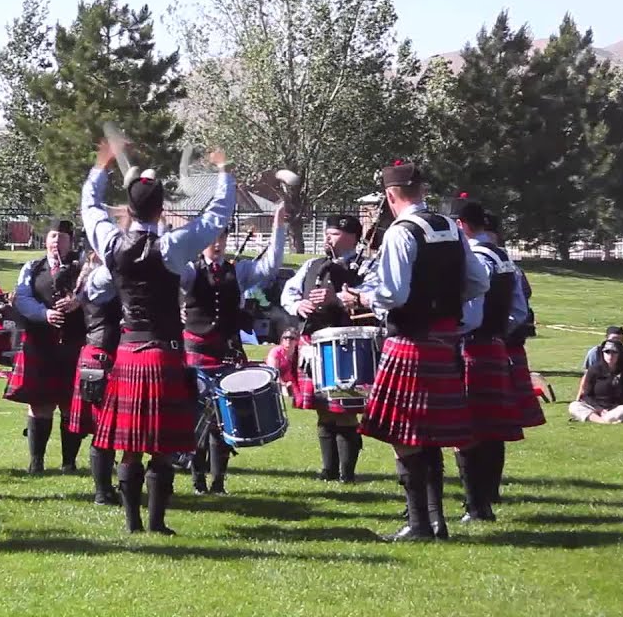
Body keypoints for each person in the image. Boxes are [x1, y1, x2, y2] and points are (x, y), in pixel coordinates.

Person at [82, 140, 234, 535]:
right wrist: (224, 173)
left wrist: (102, 166)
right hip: (165, 355)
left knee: (129, 447)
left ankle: (133, 525)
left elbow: (90, 207)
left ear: (128, 211)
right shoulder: (172, 246)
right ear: (162, 209)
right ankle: (156, 523)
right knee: (163, 449)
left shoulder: (112, 243)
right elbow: (215, 218)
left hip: (129, 352)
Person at [338, 161, 488, 542]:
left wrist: (362, 296)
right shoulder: (451, 228)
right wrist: (446, 306)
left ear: (391, 196)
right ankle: (438, 524)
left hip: (410, 342)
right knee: (432, 436)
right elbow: (478, 281)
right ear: (421, 191)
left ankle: (420, 525)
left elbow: (394, 294)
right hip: (446, 342)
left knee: (405, 437)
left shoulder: (401, 233)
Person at [182, 209, 285, 494]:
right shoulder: (190, 271)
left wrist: (278, 226)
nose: (217, 243)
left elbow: (270, 266)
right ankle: (197, 480)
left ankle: (218, 482)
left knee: (222, 421)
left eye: (222, 237)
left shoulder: (238, 272)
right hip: (196, 353)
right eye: (212, 238)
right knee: (199, 419)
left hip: (227, 352)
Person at [452, 200, 528, 524]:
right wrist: (498, 332)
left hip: (472, 347)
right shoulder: (505, 258)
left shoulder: (477, 259)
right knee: (492, 429)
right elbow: (519, 312)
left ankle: (476, 505)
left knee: (466, 429)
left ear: (460, 224)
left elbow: (471, 313)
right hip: (495, 347)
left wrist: (453, 333)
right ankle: (485, 499)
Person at [280, 215, 367, 482]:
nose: (327, 238)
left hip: (348, 343)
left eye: (334, 233)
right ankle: (328, 470)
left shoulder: (366, 266)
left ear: (352, 236)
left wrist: (338, 299)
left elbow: (373, 298)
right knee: (323, 410)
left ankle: (347, 474)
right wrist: (298, 305)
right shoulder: (312, 265)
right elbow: (288, 293)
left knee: (345, 409)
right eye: (327, 233)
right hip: (313, 343)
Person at [5, 220, 86, 474]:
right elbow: (23, 297)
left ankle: (69, 462)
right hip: (40, 346)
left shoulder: (84, 268)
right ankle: (36, 461)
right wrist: (44, 314)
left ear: (70, 241)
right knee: (40, 403)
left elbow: (100, 293)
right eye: (52, 236)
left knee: (71, 405)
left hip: (74, 344)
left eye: (61, 237)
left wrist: (79, 301)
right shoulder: (32, 267)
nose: (56, 242)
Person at [485, 213, 545, 504]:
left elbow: (519, 309)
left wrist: (495, 333)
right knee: (488, 424)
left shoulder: (502, 265)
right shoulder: (508, 264)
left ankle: (485, 493)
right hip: (501, 346)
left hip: (500, 348)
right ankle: (483, 492)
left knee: (492, 424)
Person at [66, 251, 121, 506]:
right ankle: (102, 492)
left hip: (106, 354)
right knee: (103, 429)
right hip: (101, 357)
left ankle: (110, 488)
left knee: (109, 429)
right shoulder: (100, 281)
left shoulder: (95, 281)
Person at [569, 341, 623, 423]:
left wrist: (612, 408)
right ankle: (602, 421)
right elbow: (586, 395)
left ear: (620, 354)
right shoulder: (594, 370)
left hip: (617, 409)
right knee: (574, 406)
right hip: (596, 408)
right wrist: (598, 409)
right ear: (602, 353)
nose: (610, 355)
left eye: (614, 352)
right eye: (607, 352)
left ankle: (597, 420)